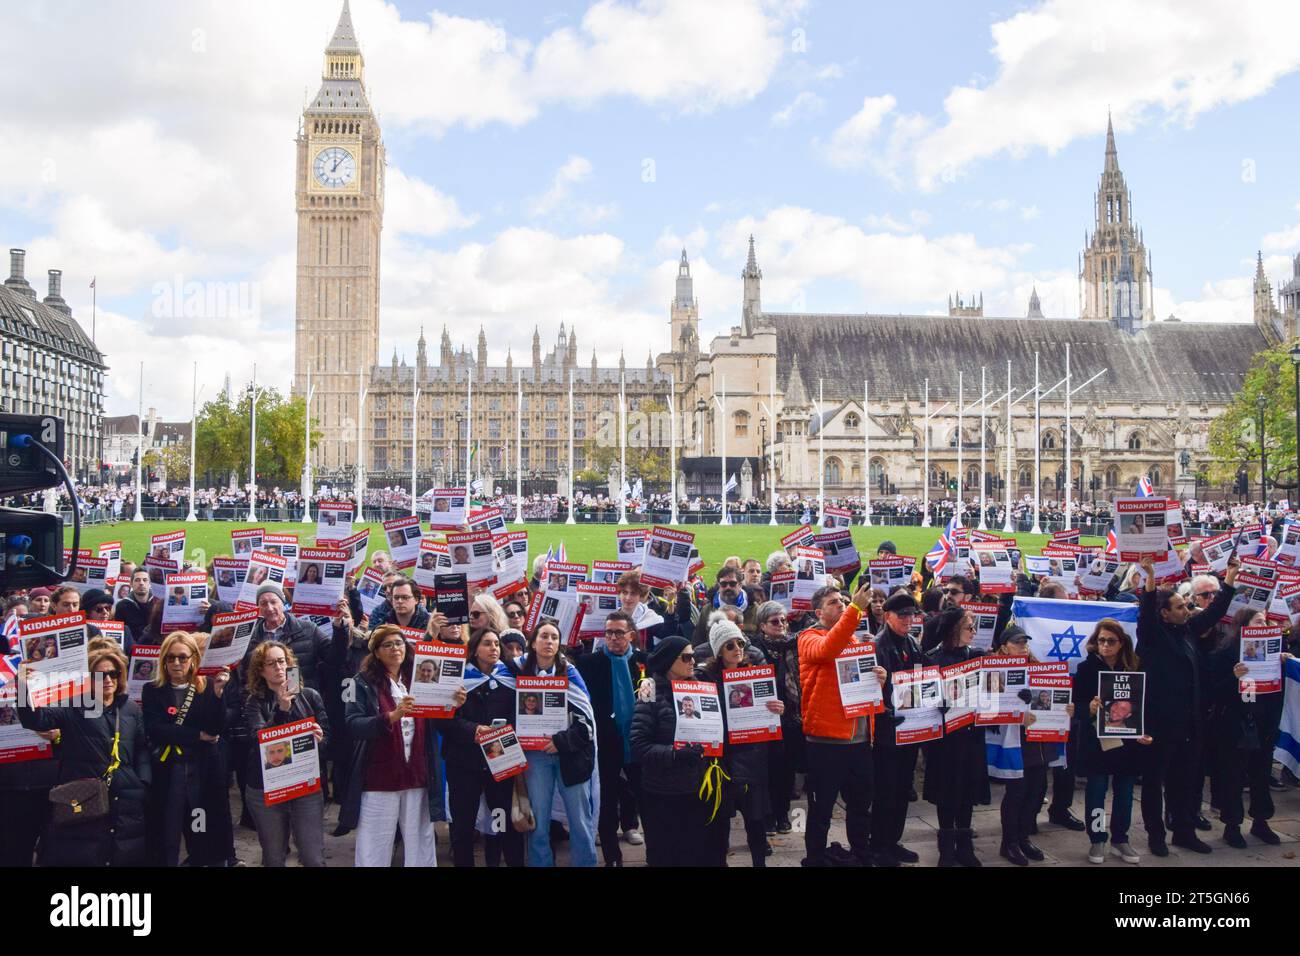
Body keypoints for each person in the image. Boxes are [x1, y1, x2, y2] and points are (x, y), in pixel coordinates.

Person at [1136, 552, 1238, 857]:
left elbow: (1213, 613)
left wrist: (1230, 579)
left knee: (1185, 781)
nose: (1187, 609)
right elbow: (1145, 613)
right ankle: (1156, 835)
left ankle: (1183, 832)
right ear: (1164, 613)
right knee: (1155, 783)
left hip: (1189, 723)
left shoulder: (1188, 632)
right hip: (1159, 723)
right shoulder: (1153, 637)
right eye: (1180, 607)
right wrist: (1150, 580)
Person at [16, 644, 151, 866]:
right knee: (85, 855)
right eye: (100, 675)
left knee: (123, 854)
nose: (108, 679)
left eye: (113, 673)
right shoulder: (75, 705)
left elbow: (142, 748)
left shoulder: (130, 708)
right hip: (85, 798)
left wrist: (143, 782)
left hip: (126, 799)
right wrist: (23, 686)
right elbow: (34, 719)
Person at [340, 625, 457, 867]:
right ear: (376, 652)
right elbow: (352, 724)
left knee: (421, 841)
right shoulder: (360, 683)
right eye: (388, 645)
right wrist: (391, 716)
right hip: (380, 776)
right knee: (375, 842)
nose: (395, 649)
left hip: (417, 774)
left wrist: (452, 703)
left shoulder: (419, 677)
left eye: (399, 643)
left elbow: (437, 720)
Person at [798, 581, 881, 867]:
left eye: (843, 601)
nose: (842, 605)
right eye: (834, 602)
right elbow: (826, 650)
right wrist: (857, 608)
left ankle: (862, 854)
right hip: (825, 742)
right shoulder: (808, 637)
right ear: (819, 611)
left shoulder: (854, 642)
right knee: (821, 810)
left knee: (860, 807)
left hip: (859, 740)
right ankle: (816, 858)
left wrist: (877, 678)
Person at [141, 631, 233, 867]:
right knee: (168, 830)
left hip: (202, 769)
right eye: (170, 658)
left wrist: (219, 693)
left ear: (193, 658)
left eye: (182, 657)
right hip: (169, 770)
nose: (176, 663)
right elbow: (155, 728)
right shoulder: (152, 690)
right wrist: (196, 735)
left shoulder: (208, 686)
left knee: (200, 826)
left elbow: (214, 729)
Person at [699, 617, 782, 867]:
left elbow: (768, 711)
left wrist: (776, 708)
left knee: (756, 821)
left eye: (740, 643)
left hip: (751, 757)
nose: (738, 650)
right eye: (730, 645)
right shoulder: (704, 679)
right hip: (721, 761)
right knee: (720, 823)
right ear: (718, 651)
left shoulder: (754, 674)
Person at [630, 636, 720, 866]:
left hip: (697, 788)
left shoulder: (700, 687)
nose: (693, 662)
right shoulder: (649, 690)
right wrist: (674, 753)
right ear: (669, 661)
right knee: (666, 854)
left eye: (694, 656)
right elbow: (639, 745)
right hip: (662, 792)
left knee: (696, 853)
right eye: (687, 657)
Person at [517, 620, 598, 867]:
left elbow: (587, 721)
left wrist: (561, 741)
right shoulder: (517, 670)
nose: (549, 642)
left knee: (579, 820)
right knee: (538, 820)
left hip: (570, 755)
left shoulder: (570, 672)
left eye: (554, 637)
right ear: (533, 642)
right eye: (544, 636)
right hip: (535, 755)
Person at [243, 640, 330, 867]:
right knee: (273, 857)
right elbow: (258, 739)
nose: (278, 668)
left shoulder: (310, 696)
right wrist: (281, 710)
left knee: (313, 856)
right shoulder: (254, 702)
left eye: (281, 661)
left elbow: (329, 739)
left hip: (305, 786)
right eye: (270, 663)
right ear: (260, 671)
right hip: (266, 789)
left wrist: (320, 739)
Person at [1207, 609, 1288, 849]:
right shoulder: (1224, 654)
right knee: (1233, 775)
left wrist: (1283, 662)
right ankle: (1232, 825)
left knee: (1261, 774)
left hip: (1264, 722)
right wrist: (1234, 677)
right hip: (1236, 723)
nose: (1264, 626)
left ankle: (1261, 821)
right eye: (1258, 622)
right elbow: (1214, 692)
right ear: (1244, 626)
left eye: (1265, 622)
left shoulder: (1273, 650)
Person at [442, 628, 524, 867]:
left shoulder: (510, 677)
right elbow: (440, 720)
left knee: (503, 821)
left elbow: (524, 713)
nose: (494, 648)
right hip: (464, 761)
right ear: (475, 649)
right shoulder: (457, 679)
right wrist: (473, 730)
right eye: (487, 644)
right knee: (463, 824)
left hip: (502, 755)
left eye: (497, 644)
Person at [1073, 619, 1152, 865]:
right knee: (1096, 791)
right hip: (1098, 742)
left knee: (1125, 793)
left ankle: (1120, 838)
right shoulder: (1086, 669)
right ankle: (1097, 838)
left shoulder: (1134, 668)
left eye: (1111, 641)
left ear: (1122, 643)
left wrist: (1144, 732)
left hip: (1127, 743)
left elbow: (1143, 706)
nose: (1105, 645)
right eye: (1101, 640)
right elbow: (1075, 706)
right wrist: (1090, 707)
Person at [575, 609, 647, 865]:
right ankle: (612, 857)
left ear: (631, 634)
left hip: (639, 743)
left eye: (619, 632)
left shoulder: (644, 661)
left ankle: (655, 852)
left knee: (645, 798)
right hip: (606, 744)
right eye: (609, 632)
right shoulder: (589, 663)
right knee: (606, 803)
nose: (613, 637)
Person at [922, 607, 989, 867]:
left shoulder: (978, 656)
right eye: (969, 627)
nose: (974, 632)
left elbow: (992, 694)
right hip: (945, 739)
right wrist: (941, 702)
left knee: (968, 791)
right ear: (953, 630)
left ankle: (965, 844)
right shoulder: (932, 658)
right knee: (947, 791)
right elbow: (923, 698)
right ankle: (946, 848)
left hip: (971, 734)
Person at [869, 590, 927, 866]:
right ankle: (879, 845)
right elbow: (873, 689)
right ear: (887, 616)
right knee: (885, 791)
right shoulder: (879, 645)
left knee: (902, 789)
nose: (908, 620)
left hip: (909, 728)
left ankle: (893, 841)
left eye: (911, 615)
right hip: (887, 731)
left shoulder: (912, 643)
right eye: (902, 616)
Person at [749, 601, 802, 834]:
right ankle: (768, 815)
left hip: (790, 717)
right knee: (767, 770)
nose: (780, 624)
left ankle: (783, 812)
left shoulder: (794, 645)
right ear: (762, 625)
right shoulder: (754, 649)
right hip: (763, 718)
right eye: (774, 621)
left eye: (783, 620)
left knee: (786, 769)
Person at [113, 569, 159, 651]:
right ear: (131, 584)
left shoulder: (158, 603)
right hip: (132, 650)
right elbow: (121, 634)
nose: (141, 583)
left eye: (145, 580)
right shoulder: (122, 606)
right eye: (137, 580)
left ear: (150, 584)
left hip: (155, 649)